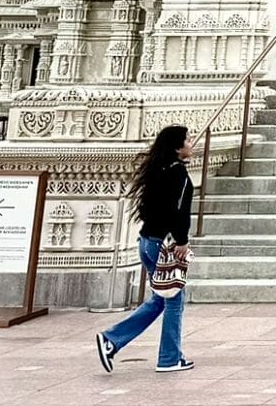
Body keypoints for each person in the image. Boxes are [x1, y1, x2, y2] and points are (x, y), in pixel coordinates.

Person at [95, 125, 195, 374]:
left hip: (147, 241)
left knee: (161, 298)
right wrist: (182, 241)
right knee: (174, 299)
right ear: (177, 147)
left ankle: (112, 340)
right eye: (187, 140)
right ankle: (169, 358)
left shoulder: (158, 170)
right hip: (162, 244)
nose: (191, 143)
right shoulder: (178, 173)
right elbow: (179, 212)